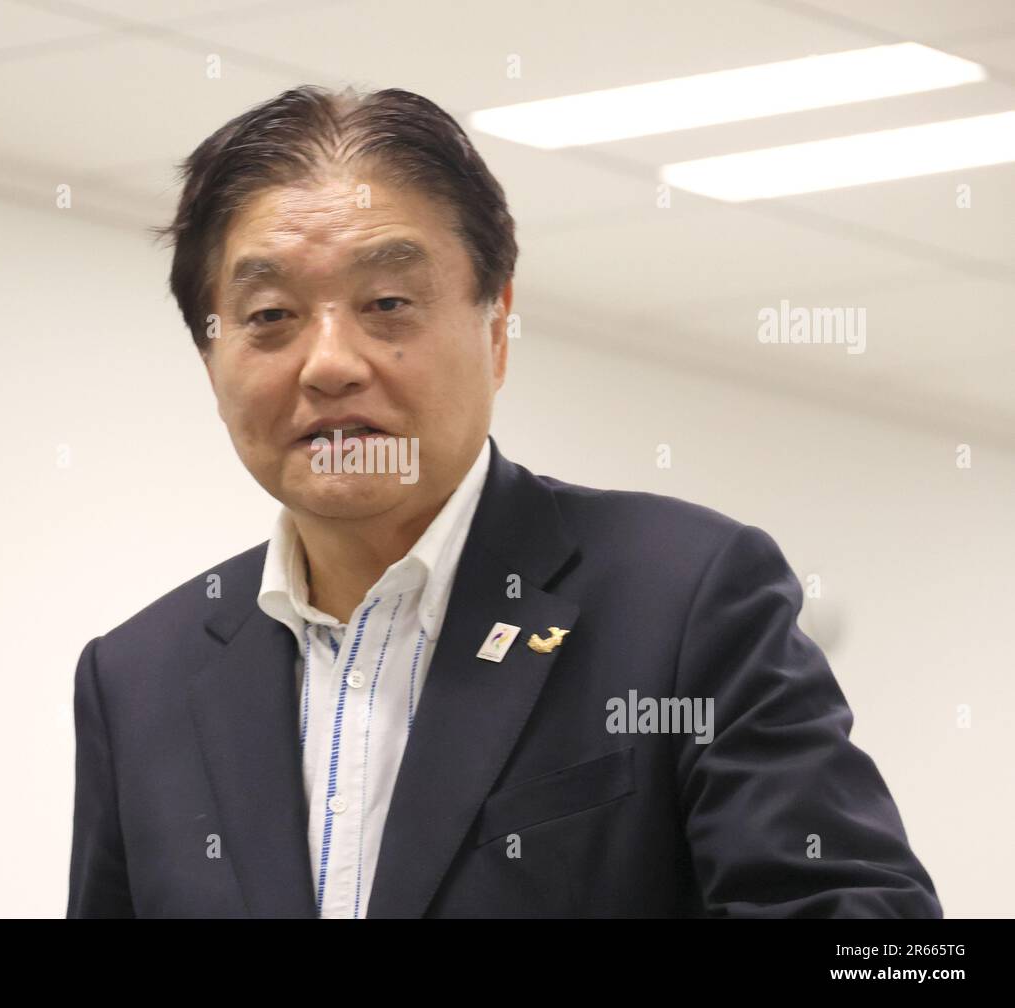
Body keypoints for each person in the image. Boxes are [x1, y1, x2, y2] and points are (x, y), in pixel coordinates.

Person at [66, 85, 941, 918]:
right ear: (210, 359)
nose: (329, 363)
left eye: (389, 302)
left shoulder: (682, 600)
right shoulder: (137, 680)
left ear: (496, 328)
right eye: (269, 316)